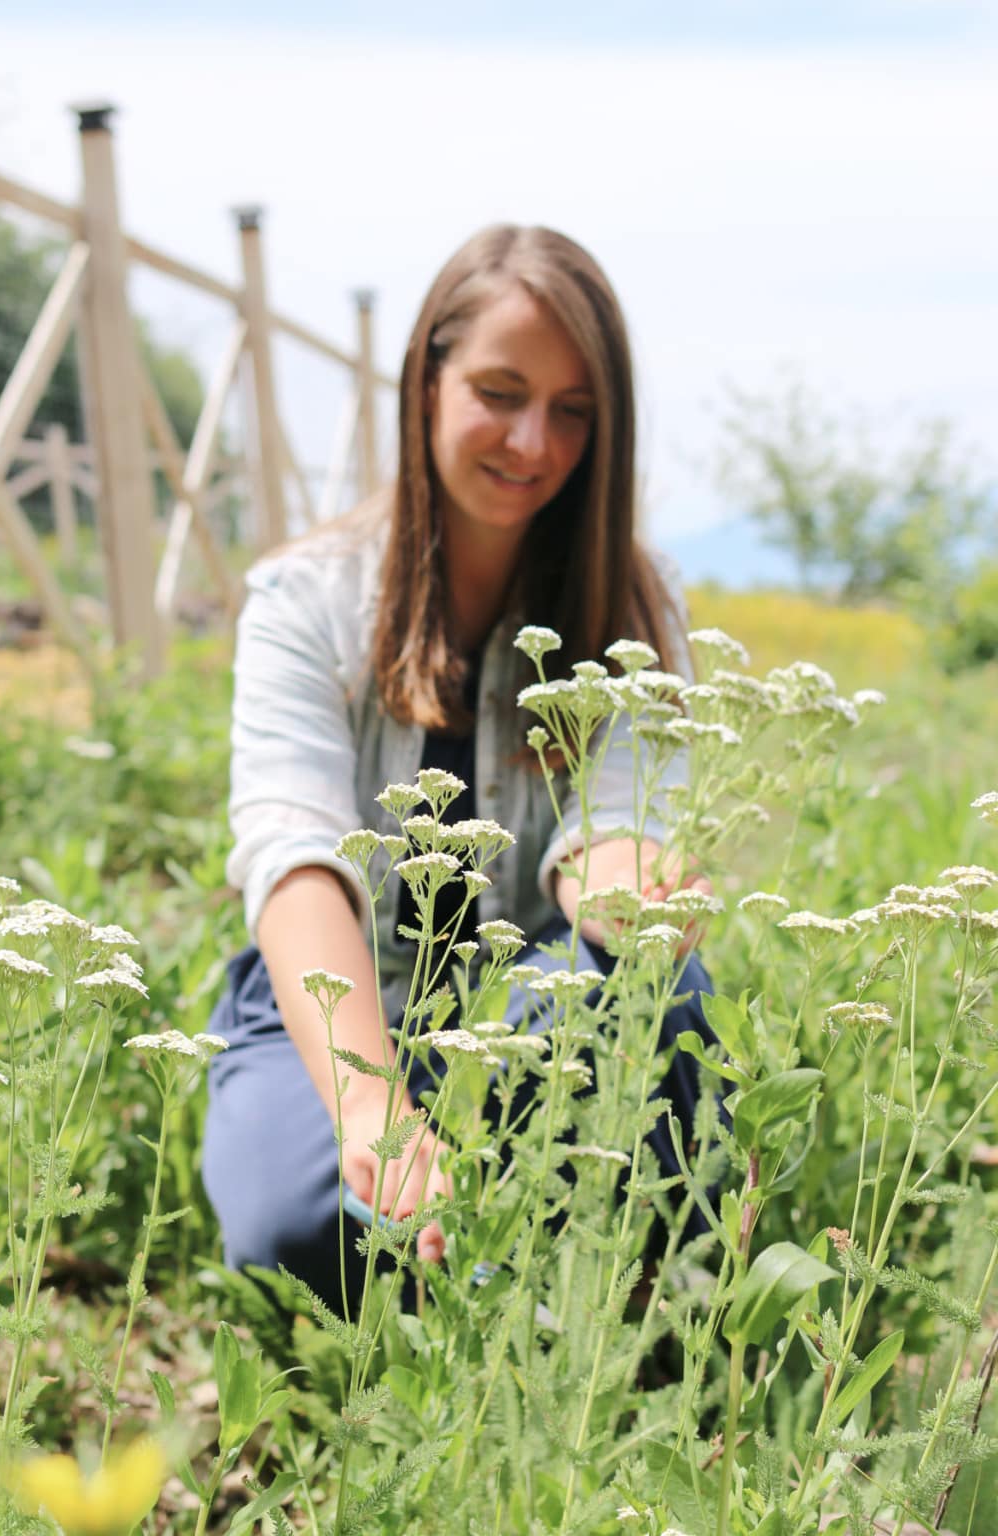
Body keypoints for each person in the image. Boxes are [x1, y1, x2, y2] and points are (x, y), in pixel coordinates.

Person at [202, 224, 715, 1316]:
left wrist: (629, 884)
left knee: (655, 1003)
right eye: (500, 391)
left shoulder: (633, 606)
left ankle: (586, 1296)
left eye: (573, 411)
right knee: (287, 1226)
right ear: (425, 380)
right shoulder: (307, 601)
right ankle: (491, 1266)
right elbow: (294, 861)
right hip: (344, 995)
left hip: (532, 1003)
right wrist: (370, 1107)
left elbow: (619, 820)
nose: (532, 440)